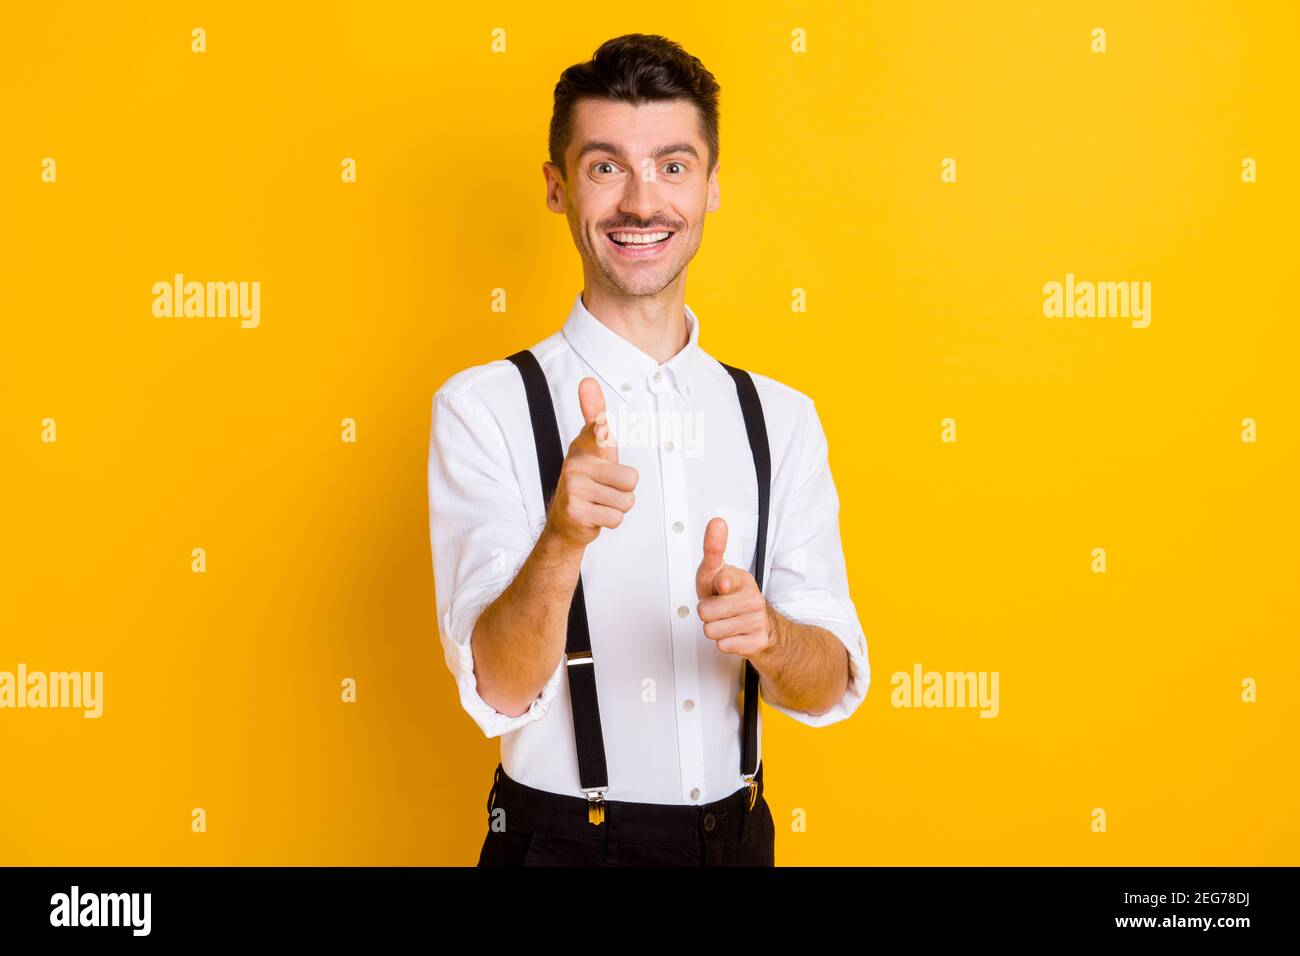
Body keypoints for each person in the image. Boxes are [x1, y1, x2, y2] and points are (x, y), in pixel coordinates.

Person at [427, 33, 870, 866]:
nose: (641, 202)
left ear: (709, 189)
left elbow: (824, 686)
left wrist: (769, 634)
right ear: (559, 189)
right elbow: (498, 688)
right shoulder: (482, 408)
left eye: (672, 166)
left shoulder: (781, 417)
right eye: (606, 167)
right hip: (559, 847)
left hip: (739, 842)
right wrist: (561, 542)